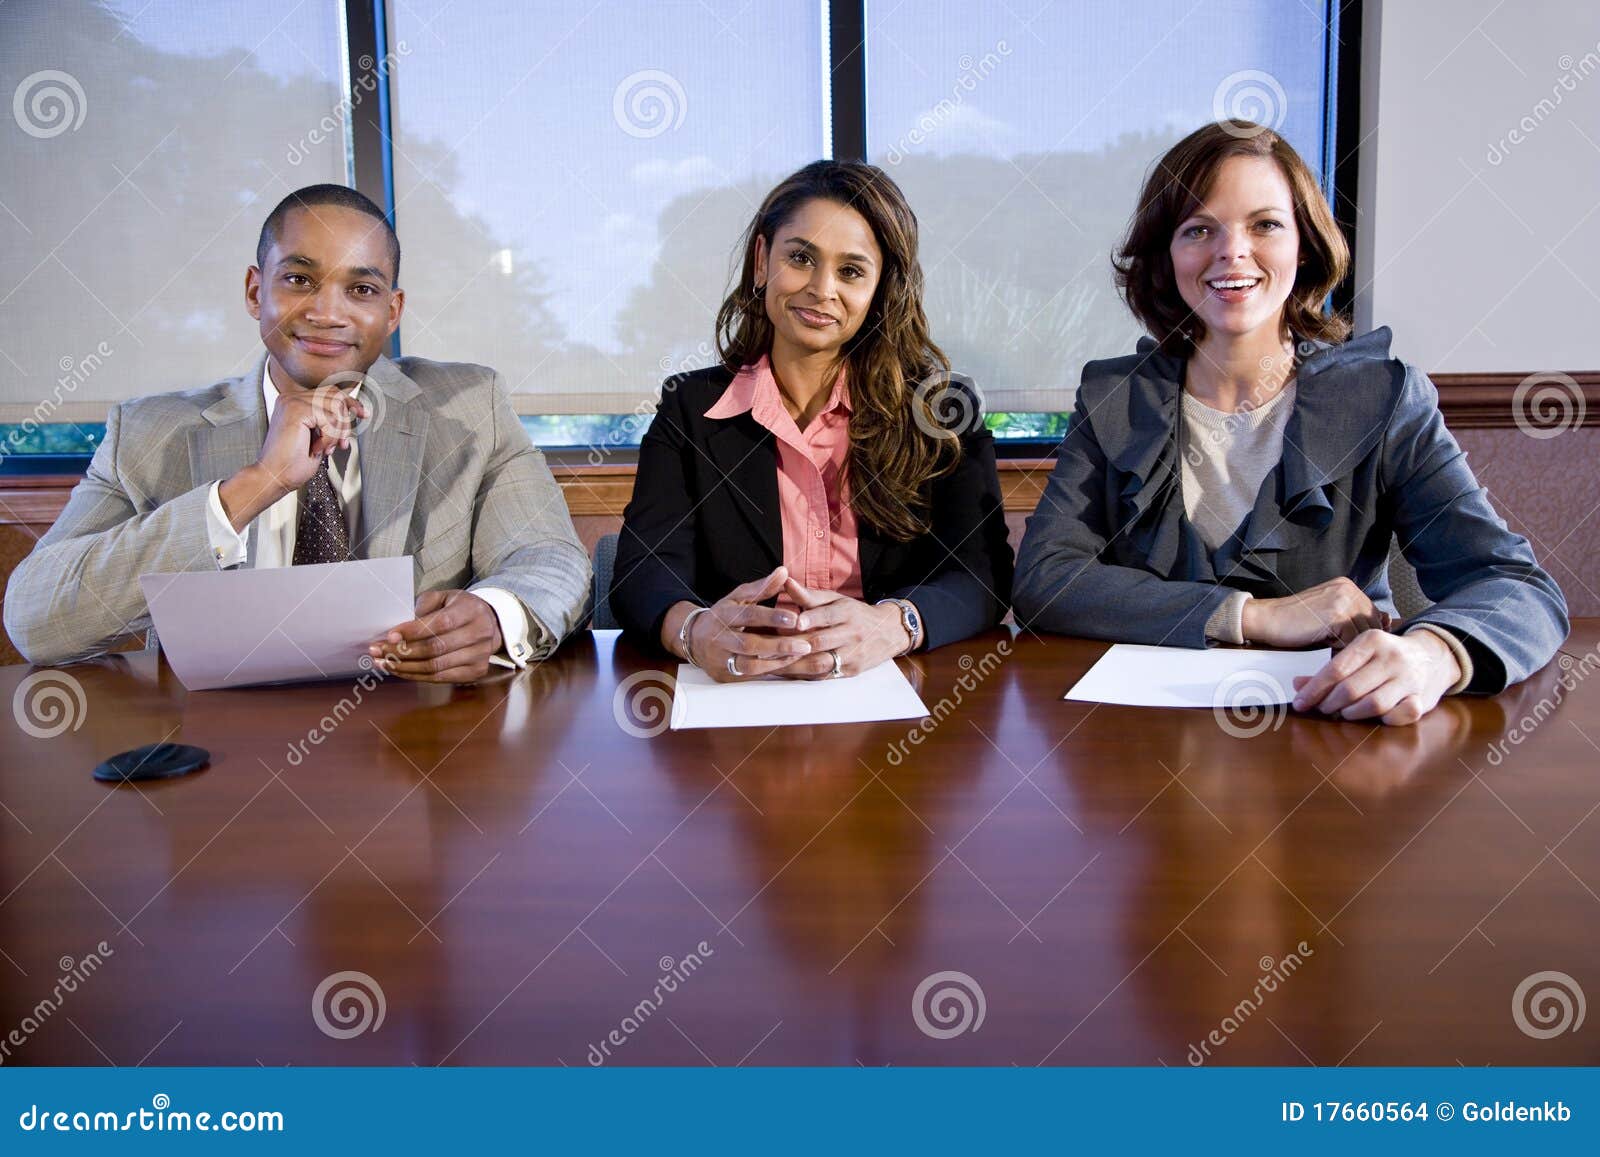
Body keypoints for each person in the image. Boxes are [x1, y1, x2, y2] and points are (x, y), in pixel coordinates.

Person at [1012, 122, 1567, 725]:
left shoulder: (1382, 395)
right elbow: (1046, 579)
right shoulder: (1115, 396)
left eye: (1264, 224)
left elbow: (1519, 589)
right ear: (1165, 255)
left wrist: (1432, 656)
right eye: (1199, 229)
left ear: (1304, 245)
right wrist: (1250, 615)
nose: (1232, 251)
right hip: (1146, 746)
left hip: (1335, 737)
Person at [5, 184, 590, 682]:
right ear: (257, 291)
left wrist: (494, 614)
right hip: (219, 758)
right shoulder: (147, 433)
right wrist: (254, 486)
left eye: (361, 290)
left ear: (392, 310)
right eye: (300, 280)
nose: (327, 313)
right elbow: (36, 618)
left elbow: (549, 558)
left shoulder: (470, 408)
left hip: (416, 743)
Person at [612, 160, 1013, 681]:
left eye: (850, 271)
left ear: (879, 289)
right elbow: (644, 572)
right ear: (762, 261)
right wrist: (695, 632)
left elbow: (982, 576)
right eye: (800, 258)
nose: (822, 289)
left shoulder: (942, 409)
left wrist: (892, 626)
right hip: (738, 698)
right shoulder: (688, 409)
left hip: (900, 692)